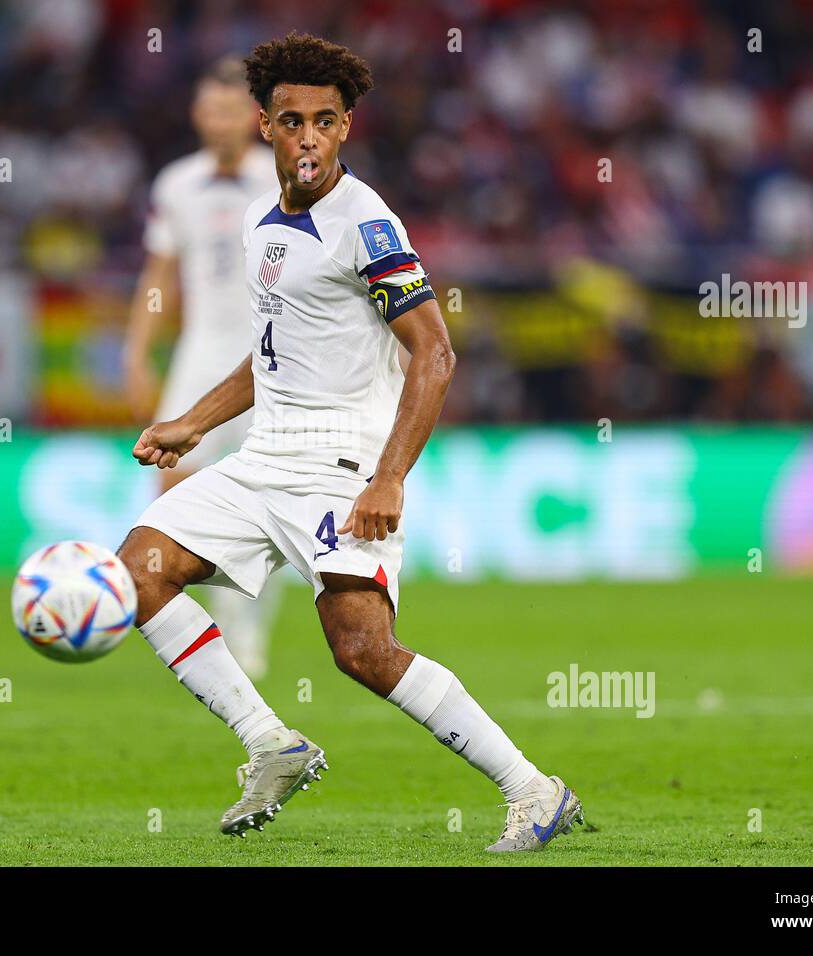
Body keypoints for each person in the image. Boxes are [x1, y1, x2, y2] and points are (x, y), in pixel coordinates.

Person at [117, 32, 583, 852]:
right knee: (138, 570)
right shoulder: (266, 228)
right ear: (265, 125)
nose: (307, 138)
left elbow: (434, 353)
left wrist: (389, 477)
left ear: (346, 129)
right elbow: (272, 356)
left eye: (324, 122)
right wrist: (193, 421)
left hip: (342, 461)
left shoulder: (364, 224)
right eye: (291, 120)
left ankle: (534, 790)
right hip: (264, 454)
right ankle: (270, 743)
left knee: (362, 651)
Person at [124, 56, 280, 679]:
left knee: (268, 503)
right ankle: (215, 627)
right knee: (171, 488)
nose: (220, 122)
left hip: (269, 356)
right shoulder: (175, 185)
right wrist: (137, 351)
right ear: (197, 115)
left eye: (232, 110)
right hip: (199, 353)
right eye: (210, 110)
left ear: (255, 117)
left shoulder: (284, 178)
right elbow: (158, 276)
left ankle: (249, 631)